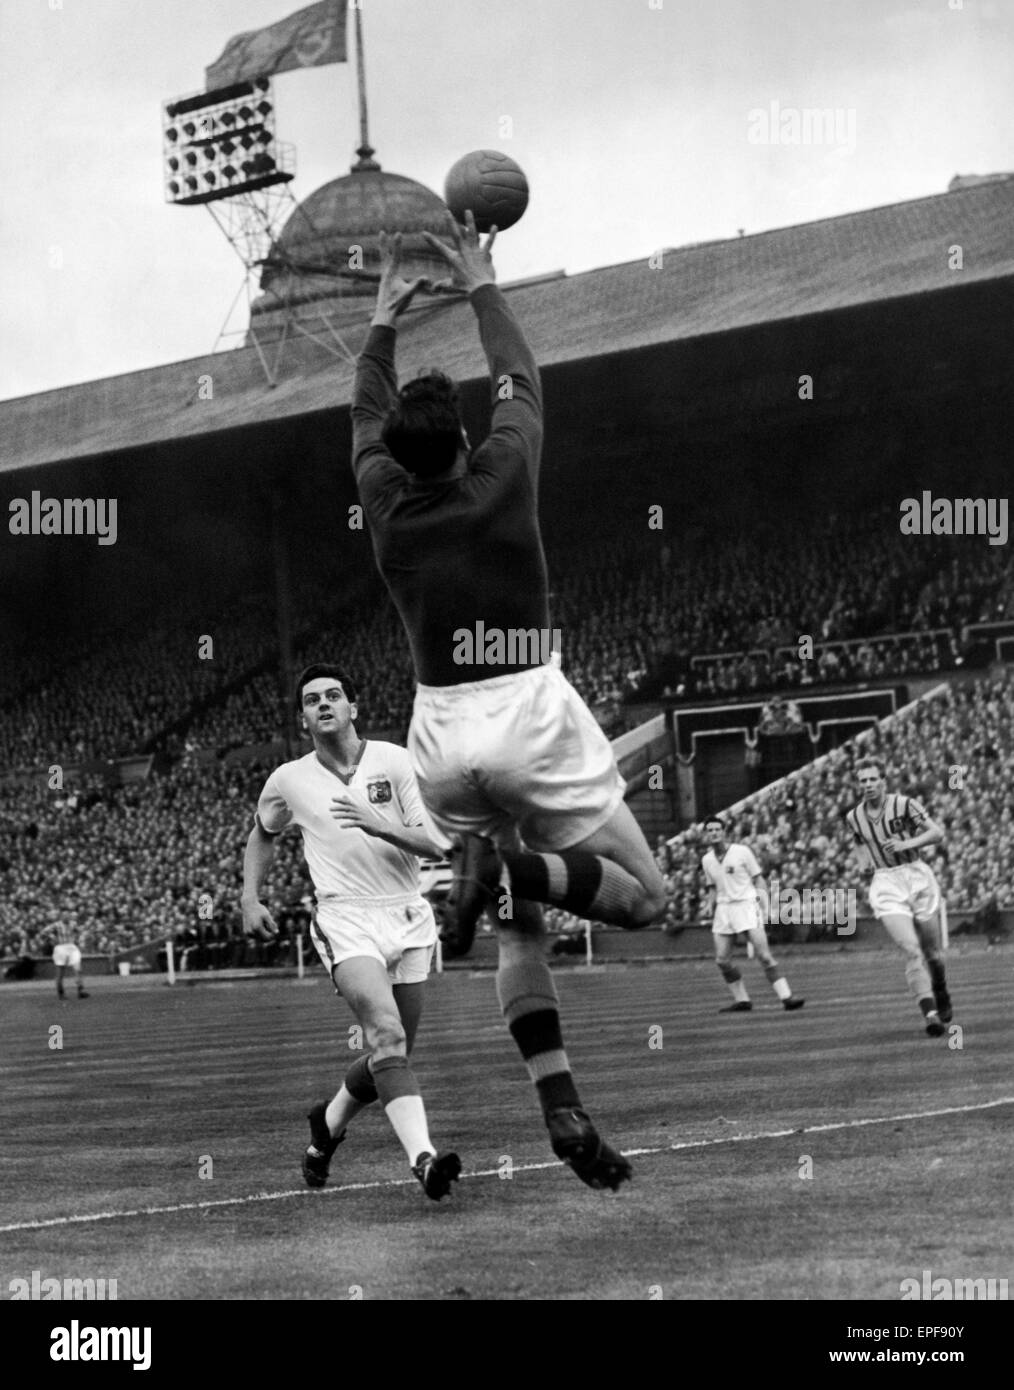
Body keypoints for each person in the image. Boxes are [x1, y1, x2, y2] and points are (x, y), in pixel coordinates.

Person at [350, 215, 668, 1191]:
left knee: (519, 928)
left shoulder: (386, 510)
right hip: (528, 708)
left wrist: (380, 326)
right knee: (649, 899)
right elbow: (521, 373)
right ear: (462, 439)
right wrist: (484, 281)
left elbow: (362, 420)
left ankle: (559, 1105)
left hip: (440, 734)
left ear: (402, 459)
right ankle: (515, 861)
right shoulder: (507, 470)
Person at [241, 664, 460, 1201]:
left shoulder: (396, 760)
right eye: (312, 699)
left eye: (334, 695)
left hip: (408, 915)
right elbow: (262, 833)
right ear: (303, 718)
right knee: (385, 1035)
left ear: (353, 708)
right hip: (345, 917)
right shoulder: (288, 779)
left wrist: (376, 821)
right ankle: (423, 1160)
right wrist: (249, 896)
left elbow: (437, 844)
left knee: (393, 1053)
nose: (323, 704)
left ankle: (327, 1128)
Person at [844, 757, 952, 1037]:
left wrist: (906, 843)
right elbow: (857, 841)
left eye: (872, 779)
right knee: (912, 950)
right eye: (862, 780)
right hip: (885, 882)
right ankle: (930, 1014)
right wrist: (862, 862)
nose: (867, 785)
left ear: (883, 781)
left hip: (916, 876)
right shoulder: (854, 816)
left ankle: (939, 987)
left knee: (933, 954)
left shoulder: (904, 804)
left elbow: (937, 833)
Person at [700, 815, 805, 1013]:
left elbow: (758, 879)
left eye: (717, 829)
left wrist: (766, 905)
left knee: (764, 956)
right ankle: (742, 1000)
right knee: (722, 960)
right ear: (706, 835)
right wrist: (708, 905)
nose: (714, 833)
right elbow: (712, 887)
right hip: (724, 910)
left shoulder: (741, 852)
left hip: (746, 906)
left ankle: (787, 997)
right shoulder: (707, 860)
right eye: (710, 830)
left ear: (724, 832)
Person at [52, 921, 88, 1000]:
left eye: (68, 914)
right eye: (65, 914)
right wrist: (53, 938)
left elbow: (80, 931)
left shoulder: (73, 924)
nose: (66, 916)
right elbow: (45, 932)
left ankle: (80, 990)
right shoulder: (56, 925)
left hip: (71, 947)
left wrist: (79, 938)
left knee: (78, 969)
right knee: (60, 972)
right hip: (60, 947)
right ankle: (61, 992)